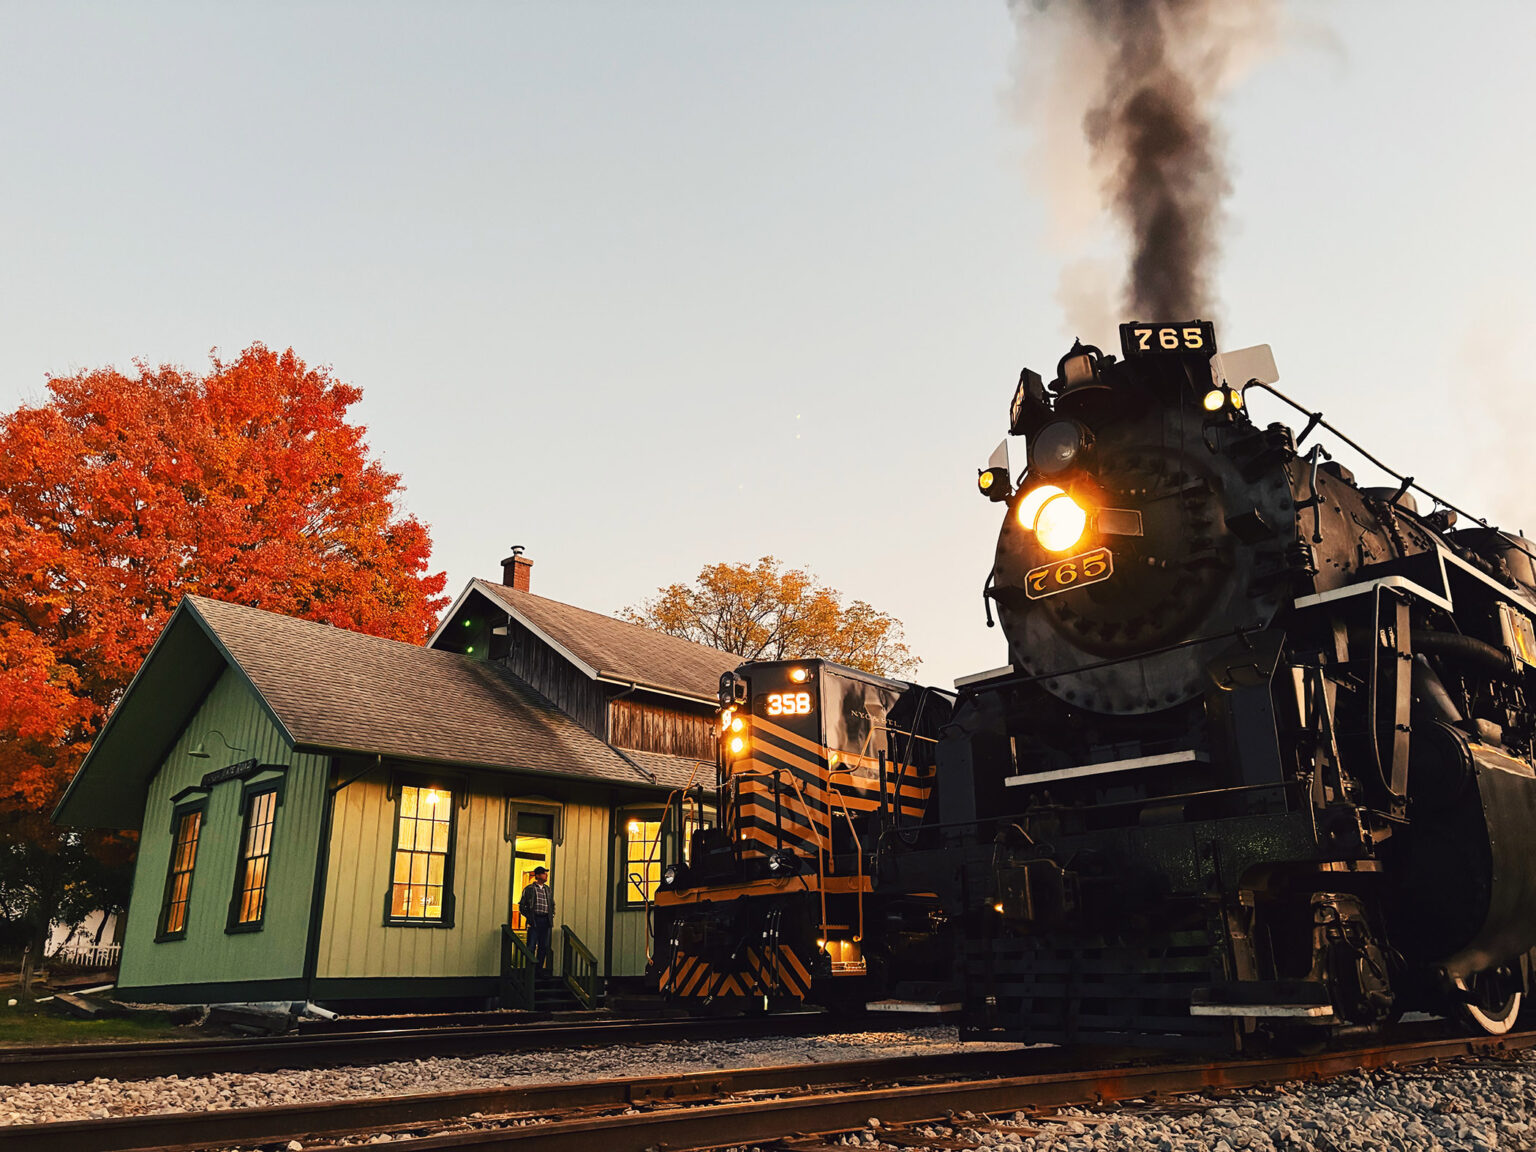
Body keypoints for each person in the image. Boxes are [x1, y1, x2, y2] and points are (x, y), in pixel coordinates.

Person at [518, 866, 555, 972]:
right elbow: (522, 905)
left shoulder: (547, 889)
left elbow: (551, 904)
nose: (546, 875)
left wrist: (551, 915)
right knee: (531, 945)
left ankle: (539, 970)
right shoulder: (529, 889)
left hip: (545, 920)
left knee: (544, 946)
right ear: (538, 875)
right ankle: (530, 970)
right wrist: (529, 916)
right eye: (544, 873)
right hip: (535, 920)